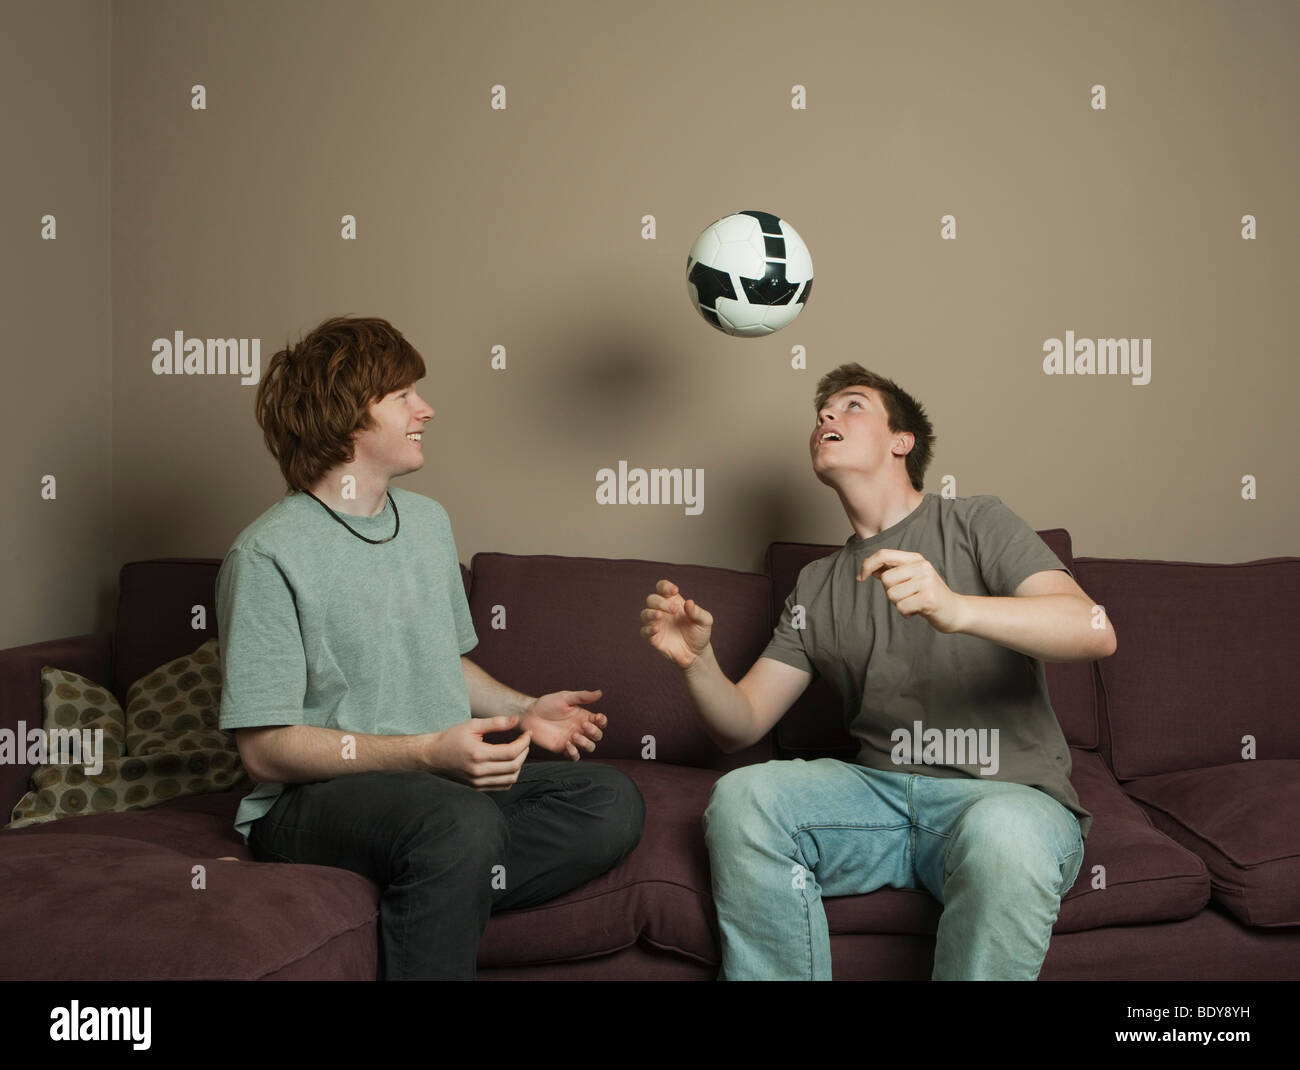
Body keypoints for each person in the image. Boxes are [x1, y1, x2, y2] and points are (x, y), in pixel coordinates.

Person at [640, 363, 1116, 980]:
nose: (825, 418)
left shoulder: (975, 522)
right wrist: (697, 662)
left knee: (1005, 834)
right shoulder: (816, 584)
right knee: (743, 795)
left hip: (1006, 798)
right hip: (879, 802)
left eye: (851, 405)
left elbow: (1095, 628)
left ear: (902, 441)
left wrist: (956, 608)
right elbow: (742, 723)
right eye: (821, 412)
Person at [216, 315, 645, 980]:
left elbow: (439, 660)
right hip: (316, 798)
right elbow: (263, 751)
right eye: (402, 396)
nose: (426, 409)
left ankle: (432, 886)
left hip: (433, 790)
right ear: (347, 417)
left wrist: (528, 709)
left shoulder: (425, 523)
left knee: (608, 801)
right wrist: (422, 751)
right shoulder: (267, 554)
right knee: (458, 828)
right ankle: (439, 875)